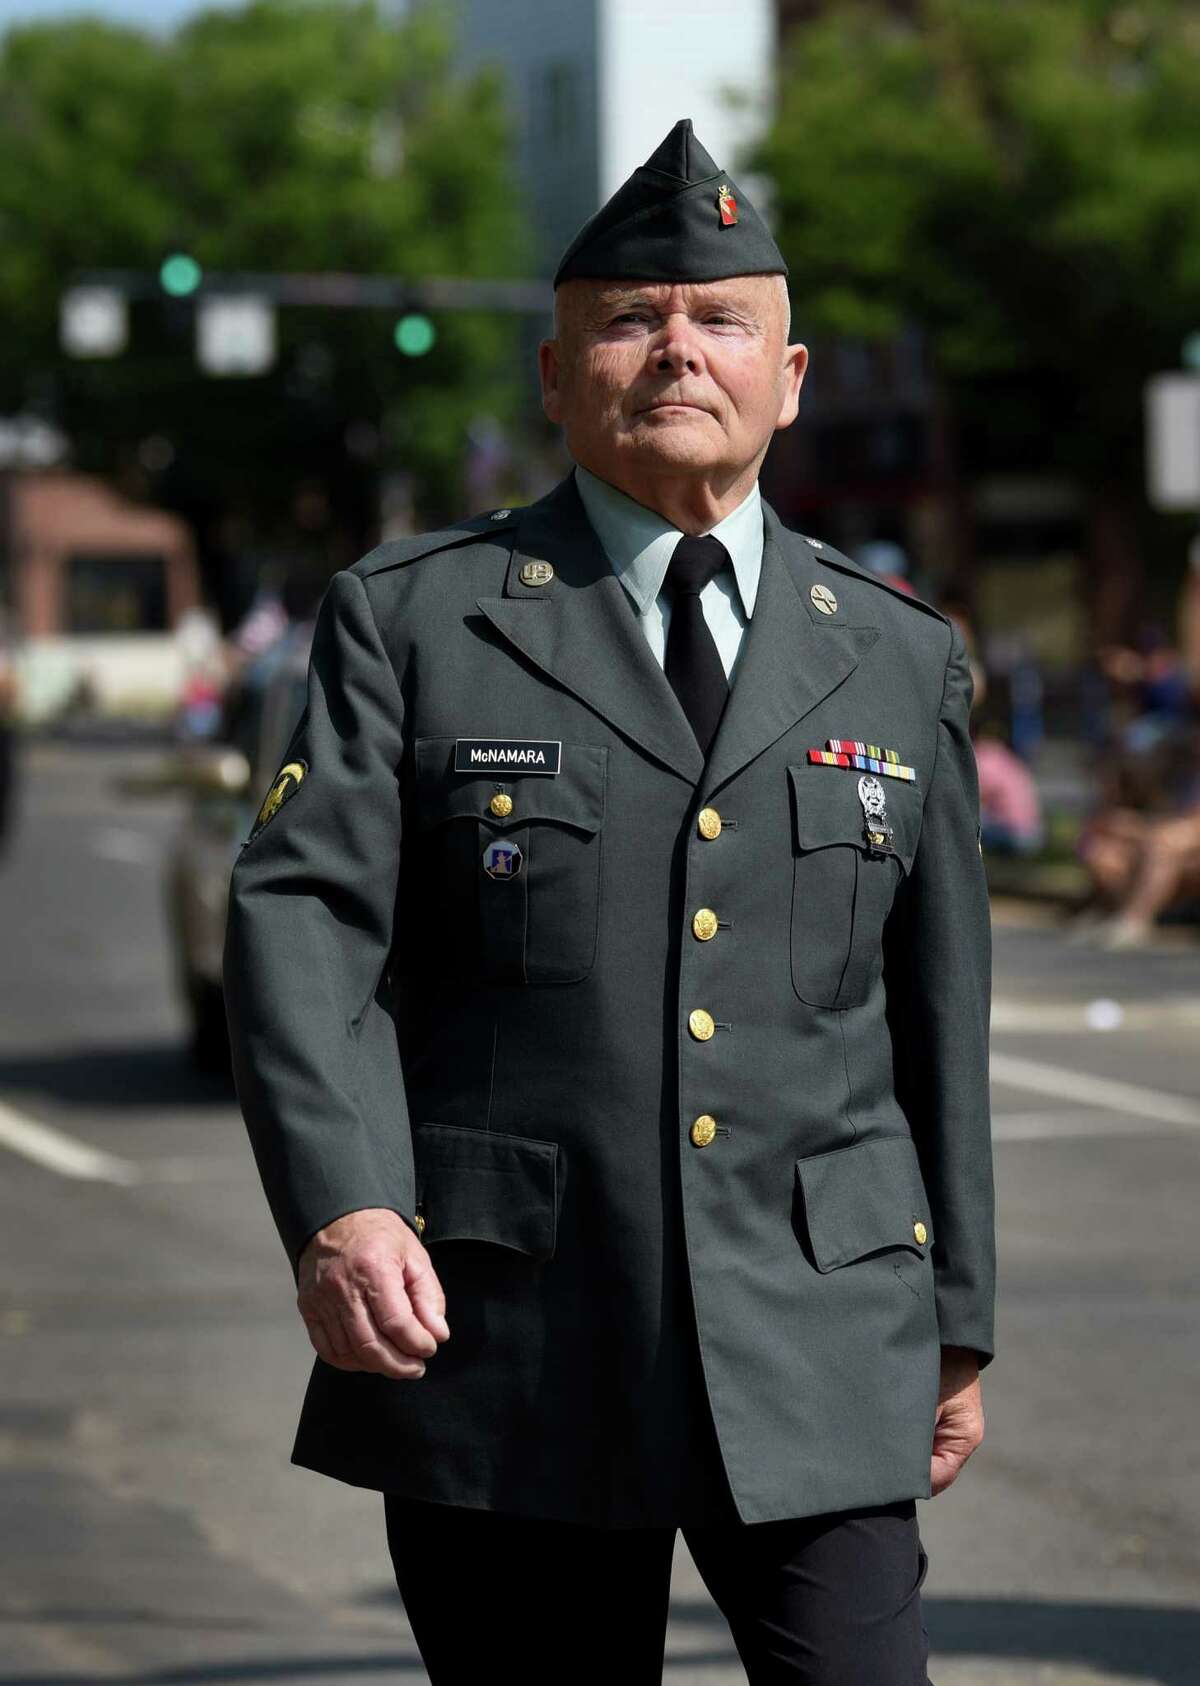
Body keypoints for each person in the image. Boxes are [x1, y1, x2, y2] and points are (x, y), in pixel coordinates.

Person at [223, 119, 994, 1684]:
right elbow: (306, 924)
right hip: (510, 1329)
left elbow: (939, 1003)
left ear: (791, 376)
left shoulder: (902, 656)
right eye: (630, 322)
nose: (675, 351)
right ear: (558, 378)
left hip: (820, 1323)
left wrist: (959, 1312)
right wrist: (344, 1201)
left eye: (720, 321)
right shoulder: (418, 619)